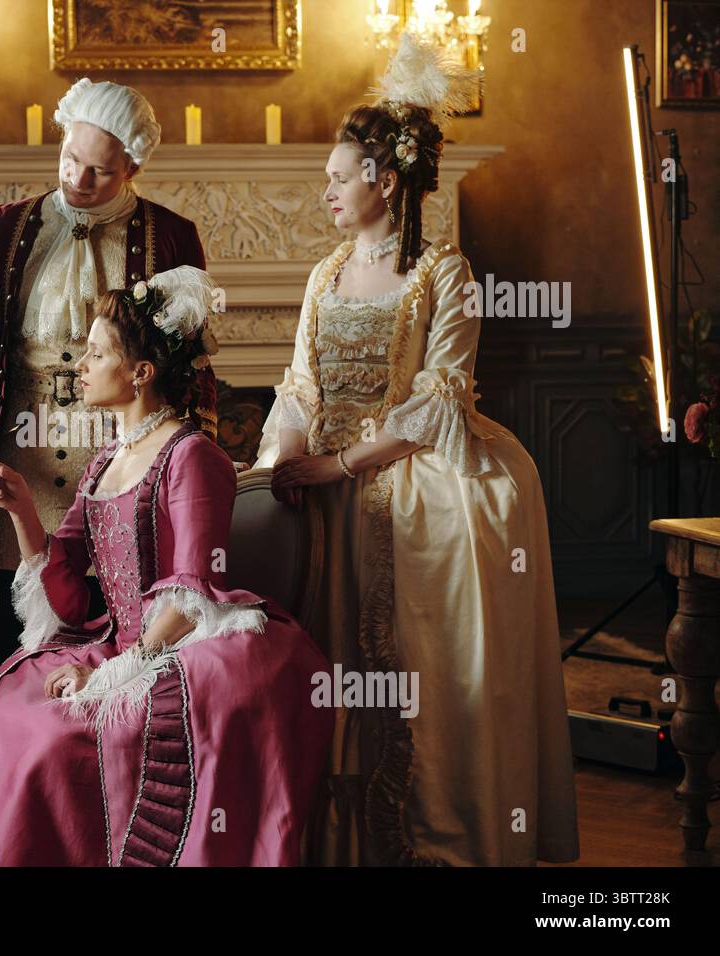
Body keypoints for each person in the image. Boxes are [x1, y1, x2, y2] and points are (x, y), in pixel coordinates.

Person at [253, 34, 580, 866]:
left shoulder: (446, 272)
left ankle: (437, 840)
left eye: (337, 177)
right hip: (326, 487)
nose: (324, 190)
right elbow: (298, 384)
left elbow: (440, 398)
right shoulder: (326, 274)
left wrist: (341, 464)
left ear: (384, 180)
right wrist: (288, 460)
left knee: (423, 679)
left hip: (413, 482)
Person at [0, 267, 333, 866]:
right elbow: (69, 584)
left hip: (181, 643)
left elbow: (188, 595)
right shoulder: (107, 459)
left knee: (55, 737)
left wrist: (110, 677)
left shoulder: (193, 455)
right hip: (122, 639)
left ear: (140, 373)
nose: (81, 364)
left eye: (96, 352)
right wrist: (24, 507)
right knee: (13, 711)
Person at [0, 77, 211, 675]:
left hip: (120, 440)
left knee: (111, 596)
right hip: (26, 437)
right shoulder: (11, 224)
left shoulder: (170, 234)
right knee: (11, 610)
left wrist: (189, 446)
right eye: (70, 158)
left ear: (131, 167)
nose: (78, 179)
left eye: (100, 170)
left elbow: (191, 355)